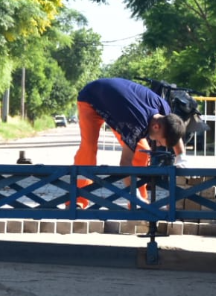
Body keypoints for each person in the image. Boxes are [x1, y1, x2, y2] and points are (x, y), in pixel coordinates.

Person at [73, 77, 187, 207]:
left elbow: (175, 128)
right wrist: (133, 194)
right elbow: (125, 163)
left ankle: (139, 202)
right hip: (91, 98)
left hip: (117, 104)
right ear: (156, 127)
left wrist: (181, 157)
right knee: (88, 147)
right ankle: (77, 200)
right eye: (160, 141)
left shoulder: (164, 110)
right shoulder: (136, 126)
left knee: (142, 151)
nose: (159, 144)